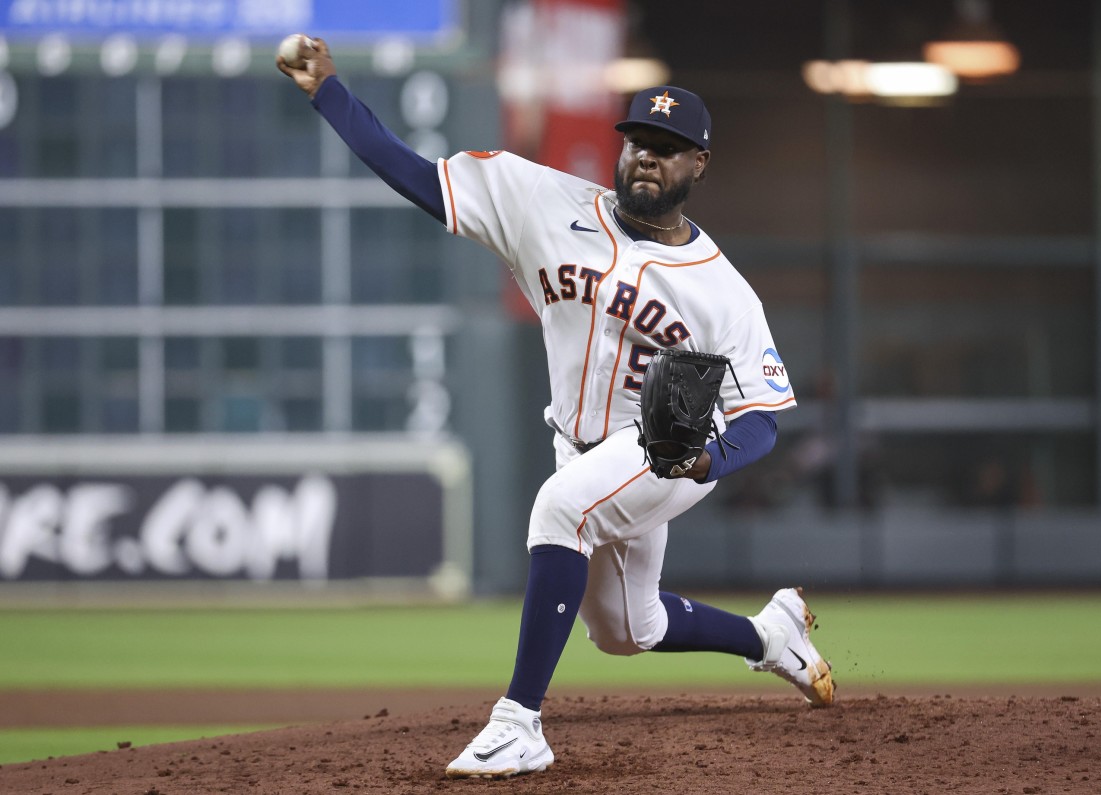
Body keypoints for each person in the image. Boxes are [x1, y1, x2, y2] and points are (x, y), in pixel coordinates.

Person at [278, 38, 835, 780]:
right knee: (628, 629)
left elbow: (762, 417)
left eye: (667, 148)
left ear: (698, 164)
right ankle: (772, 636)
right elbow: (415, 174)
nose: (646, 157)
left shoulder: (725, 293)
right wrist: (329, 93)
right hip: (578, 444)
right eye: (638, 140)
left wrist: (711, 457)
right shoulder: (541, 203)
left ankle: (519, 723)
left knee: (560, 510)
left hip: (666, 452)